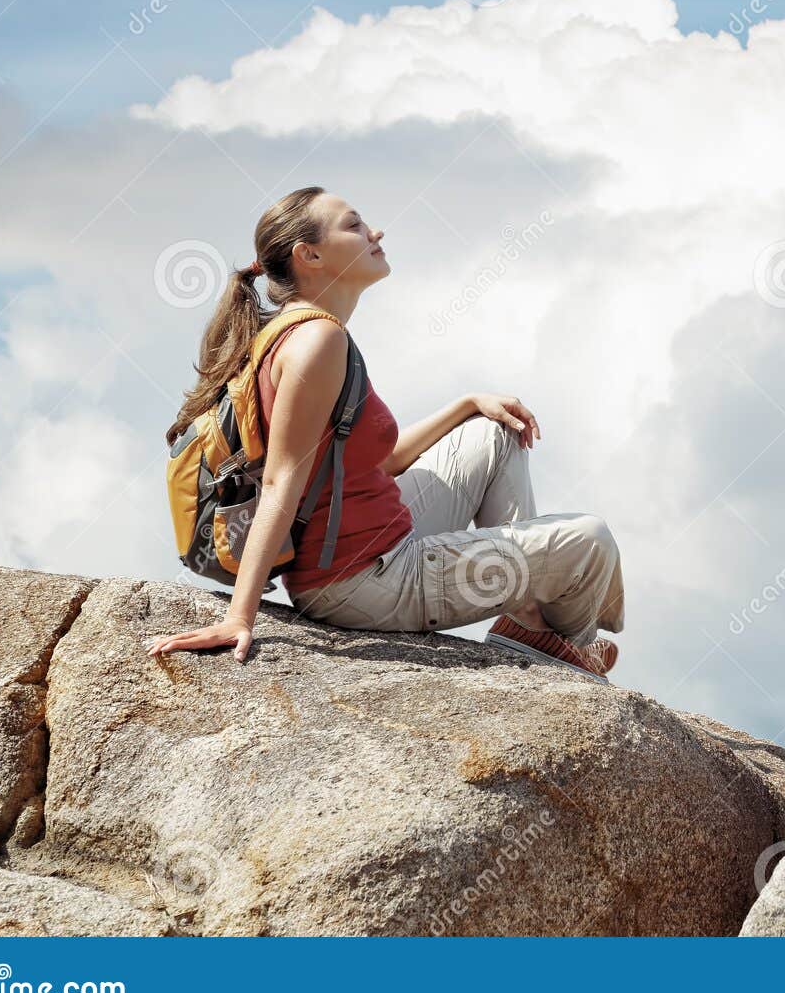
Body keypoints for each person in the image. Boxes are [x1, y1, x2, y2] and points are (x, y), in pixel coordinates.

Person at [147, 186, 623, 679]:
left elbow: (376, 463)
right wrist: (238, 617)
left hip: (375, 541)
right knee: (591, 540)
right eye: (352, 225)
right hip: (362, 581)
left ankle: (530, 620)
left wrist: (464, 405)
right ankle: (559, 638)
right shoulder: (318, 341)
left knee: (492, 432)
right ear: (309, 255)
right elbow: (280, 481)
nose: (374, 232)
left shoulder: (301, 330)